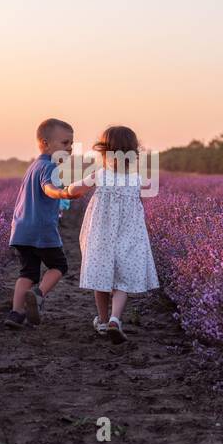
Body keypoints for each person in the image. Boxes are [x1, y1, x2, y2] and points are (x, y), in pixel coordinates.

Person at [73, 125, 159, 342]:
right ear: (134, 152)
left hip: (102, 235)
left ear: (103, 151)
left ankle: (102, 321)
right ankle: (115, 319)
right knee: (122, 279)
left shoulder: (100, 175)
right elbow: (150, 188)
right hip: (128, 233)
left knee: (101, 276)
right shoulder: (136, 179)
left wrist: (66, 189)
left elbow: (76, 190)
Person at [6, 117, 86, 328]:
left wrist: (61, 201)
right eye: (64, 143)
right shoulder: (50, 167)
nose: (69, 148)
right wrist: (62, 194)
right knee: (59, 265)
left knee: (27, 272)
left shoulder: (34, 165)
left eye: (71, 143)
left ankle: (15, 314)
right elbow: (48, 188)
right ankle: (38, 294)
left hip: (21, 230)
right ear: (45, 143)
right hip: (42, 230)